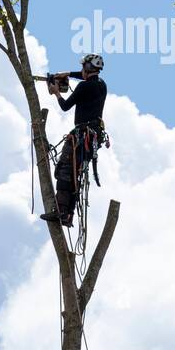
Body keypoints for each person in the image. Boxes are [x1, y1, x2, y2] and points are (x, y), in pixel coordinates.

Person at [40, 53, 107, 227]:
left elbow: (65, 106)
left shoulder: (83, 88)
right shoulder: (101, 85)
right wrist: (67, 74)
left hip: (81, 136)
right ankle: (67, 214)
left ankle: (61, 212)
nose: (81, 71)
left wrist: (56, 93)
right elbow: (85, 77)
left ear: (87, 68)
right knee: (75, 174)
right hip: (91, 138)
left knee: (65, 170)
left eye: (83, 68)